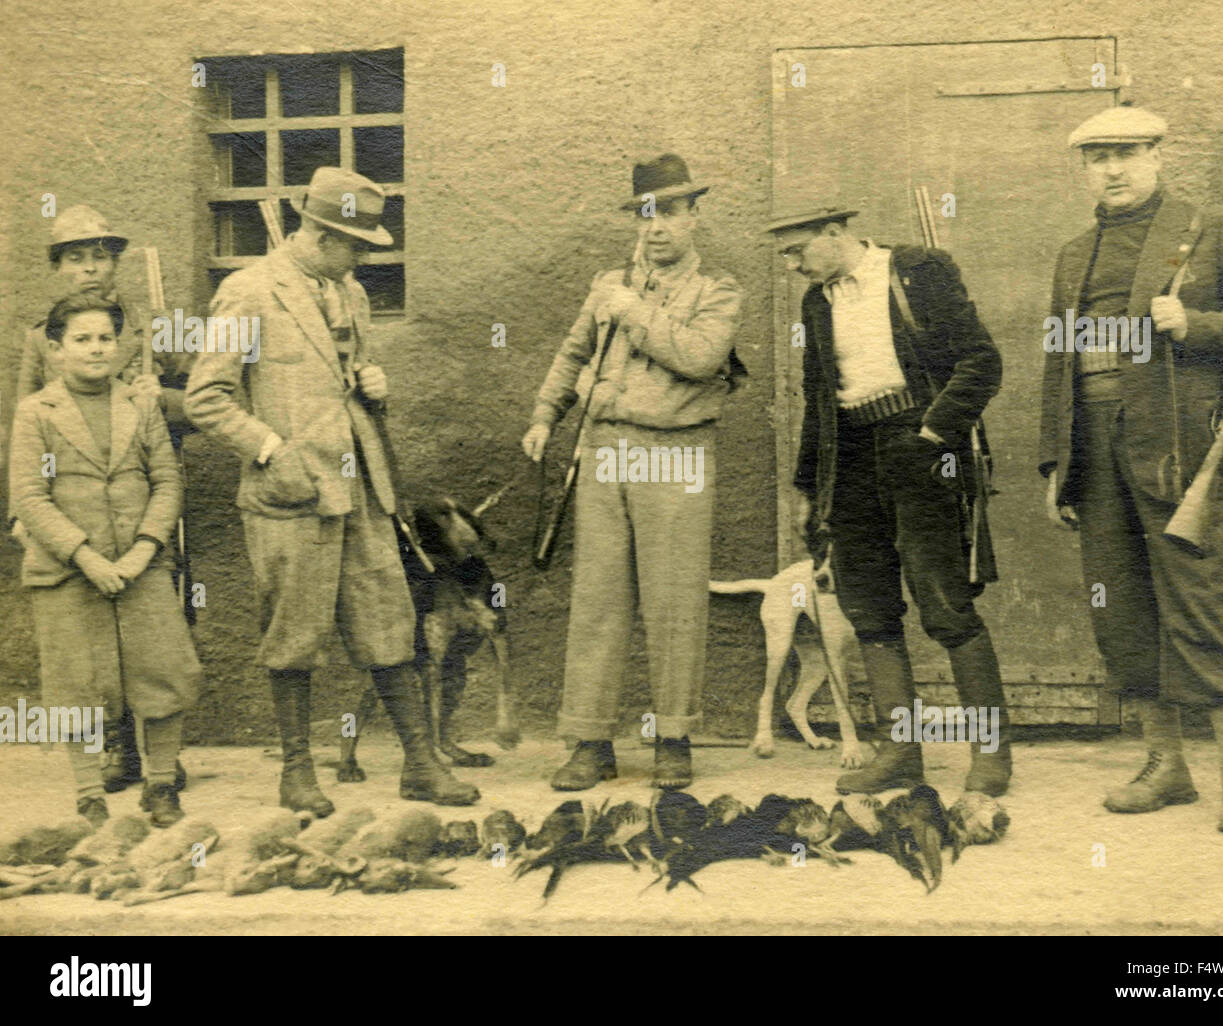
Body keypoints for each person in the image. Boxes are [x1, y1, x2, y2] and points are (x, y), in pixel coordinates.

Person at [186, 166, 479, 815]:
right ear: (319, 233)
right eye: (357, 244)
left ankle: (420, 765)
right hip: (290, 494)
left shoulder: (349, 293)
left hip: (360, 492)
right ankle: (297, 774)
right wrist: (269, 451)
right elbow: (205, 396)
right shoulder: (248, 292)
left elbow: (343, 379)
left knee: (389, 626)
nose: (364, 257)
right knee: (293, 634)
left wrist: (374, 384)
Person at [1039, 106, 1223, 833]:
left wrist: (1197, 327)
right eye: (1097, 158)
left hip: (1178, 449)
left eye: (1126, 153)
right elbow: (1058, 360)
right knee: (1120, 612)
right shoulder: (1072, 252)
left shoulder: (1210, 228)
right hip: (1094, 449)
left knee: (1205, 609)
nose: (1112, 169)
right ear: (1083, 169)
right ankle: (1165, 766)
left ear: (1157, 154)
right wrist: (1055, 459)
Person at [765, 206, 1010, 797]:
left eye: (798, 251)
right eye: (785, 258)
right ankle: (900, 751)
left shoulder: (918, 270)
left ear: (833, 232)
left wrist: (932, 436)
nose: (793, 266)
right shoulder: (816, 304)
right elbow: (819, 399)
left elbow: (981, 363)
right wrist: (808, 486)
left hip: (919, 447)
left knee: (946, 605)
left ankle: (992, 755)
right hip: (849, 458)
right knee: (869, 608)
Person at [522, 154, 743, 791]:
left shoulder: (718, 290)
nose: (658, 227)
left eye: (672, 212)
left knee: (673, 600)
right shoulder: (608, 282)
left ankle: (674, 738)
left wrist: (631, 311)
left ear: (694, 218)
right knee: (597, 598)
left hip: (675, 453)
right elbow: (571, 354)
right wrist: (544, 416)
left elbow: (700, 358)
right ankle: (590, 740)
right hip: (603, 451)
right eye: (647, 214)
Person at [10, 204, 191, 795]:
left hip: (142, 495)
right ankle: (115, 755)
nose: (90, 268)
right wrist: (25, 519)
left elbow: (194, 398)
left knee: (158, 633)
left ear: (115, 261)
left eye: (99, 255)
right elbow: (25, 426)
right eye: (75, 258)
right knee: (82, 649)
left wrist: (158, 392)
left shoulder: (149, 321)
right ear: (60, 268)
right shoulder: (43, 334)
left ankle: (160, 758)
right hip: (67, 504)